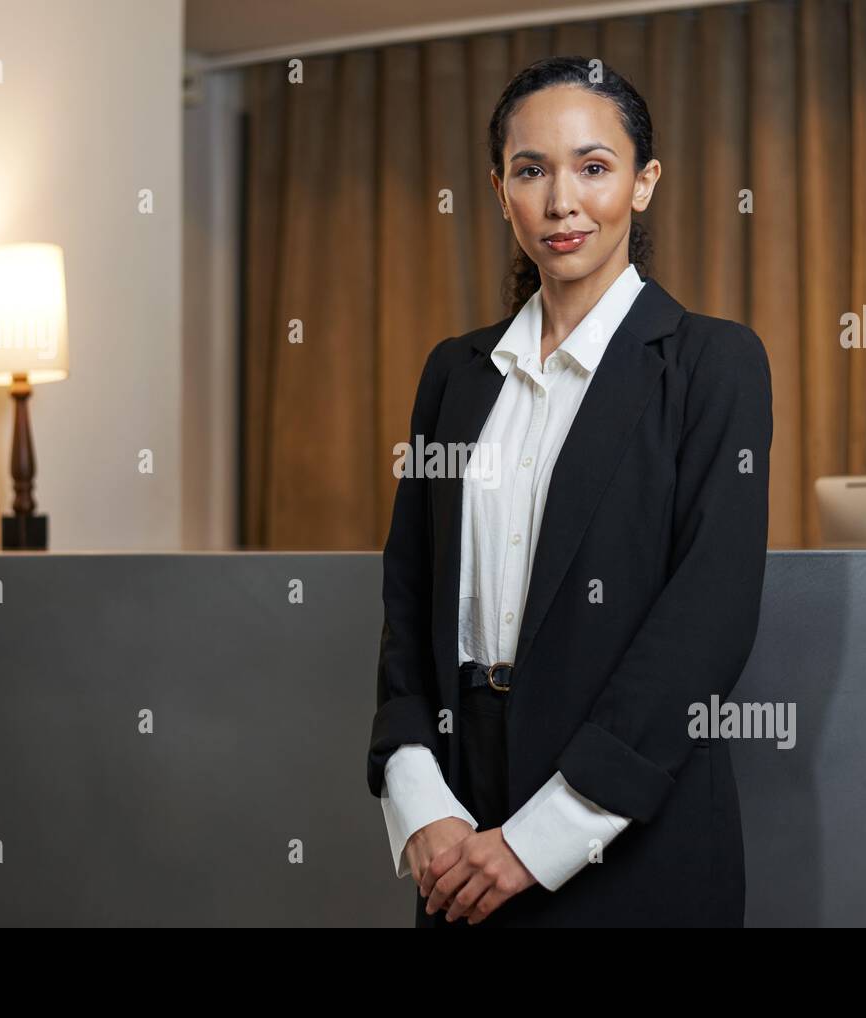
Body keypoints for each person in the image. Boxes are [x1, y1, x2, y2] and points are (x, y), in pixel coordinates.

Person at [366, 54, 773, 927]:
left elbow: (709, 617)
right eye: (530, 170)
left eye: (594, 167)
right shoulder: (455, 374)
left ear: (643, 183)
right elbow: (409, 600)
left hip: (633, 826)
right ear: (499, 188)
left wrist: (540, 837)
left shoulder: (713, 363)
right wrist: (418, 800)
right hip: (458, 831)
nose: (562, 201)